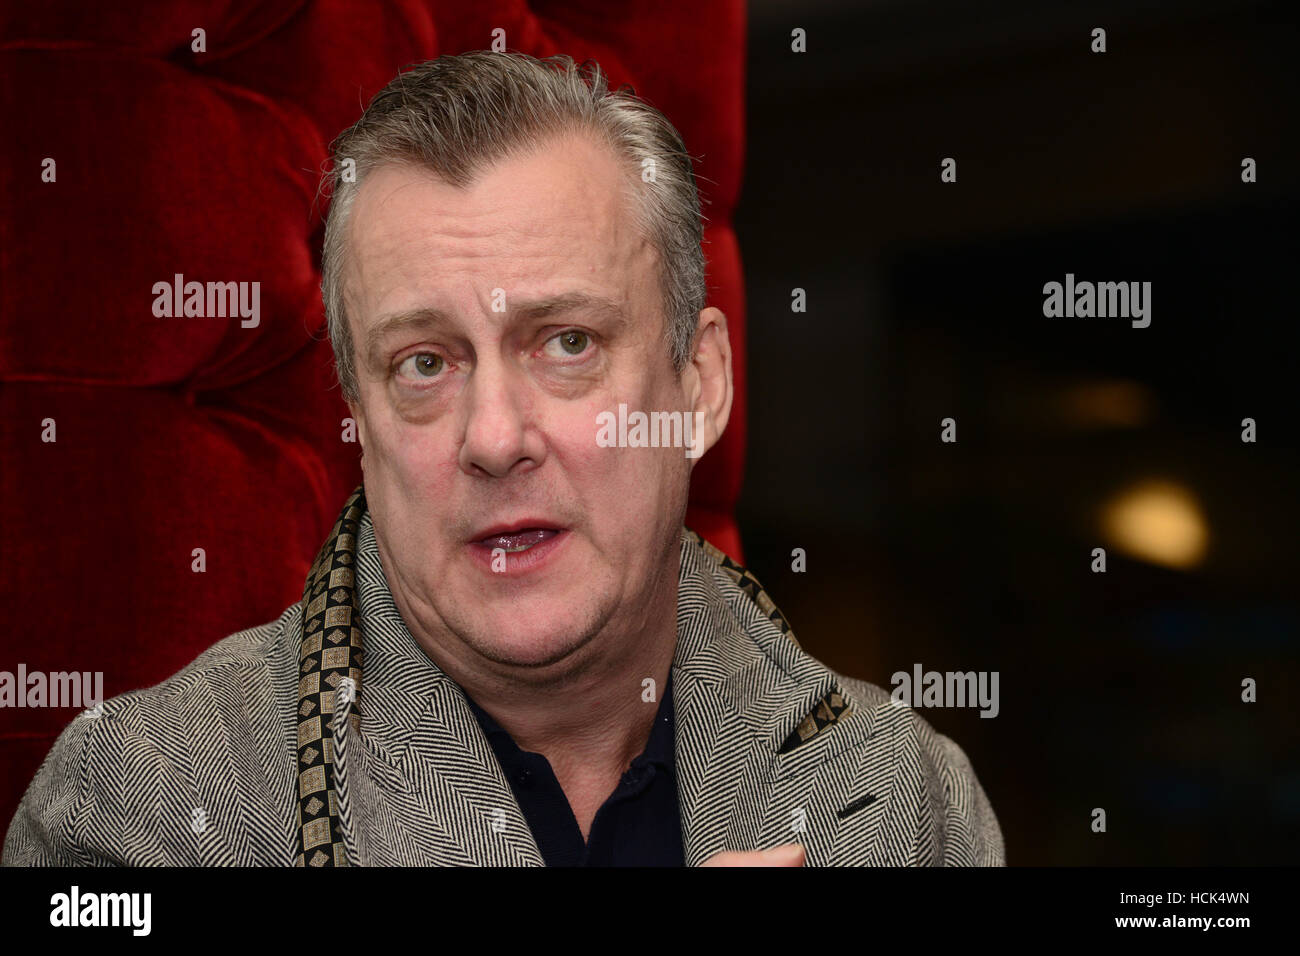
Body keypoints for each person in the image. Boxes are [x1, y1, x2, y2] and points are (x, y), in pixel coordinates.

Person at [3, 52, 1003, 867]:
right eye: (424, 363)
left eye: (565, 341)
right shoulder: (141, 804)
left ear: (697, 384)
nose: (492, 437)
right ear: (360, 418)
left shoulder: (908, 800)